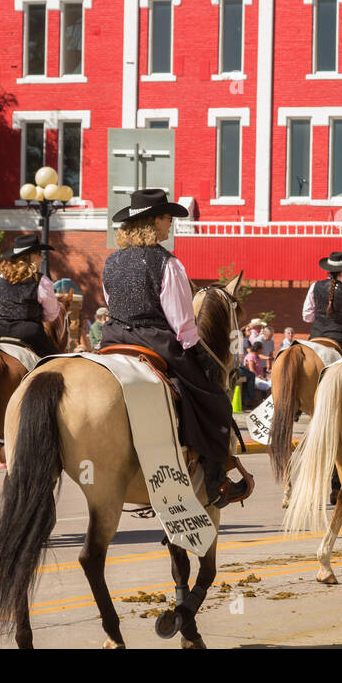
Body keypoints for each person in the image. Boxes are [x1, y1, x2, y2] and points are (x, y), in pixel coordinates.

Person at [98, 188, 245, 508]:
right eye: (167, 218)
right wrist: (199, 355)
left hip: (111, 341)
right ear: (152, 222)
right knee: (214, 399)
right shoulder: (168, 263)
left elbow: (111, 304)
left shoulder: (111, 262)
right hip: (156, 342)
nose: (170, 224)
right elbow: (183, 325)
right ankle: (217, 480)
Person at [302, 251, 342, 356]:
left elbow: (307, 317)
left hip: (315, 336)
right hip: (339, 338)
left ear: (327, 270)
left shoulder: (314, 286)